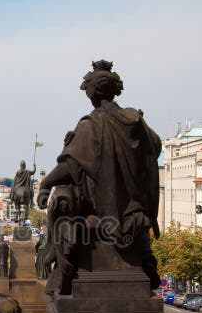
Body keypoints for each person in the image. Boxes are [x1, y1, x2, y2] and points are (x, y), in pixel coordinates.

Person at [37, 60, 162, 292]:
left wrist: (46, 184)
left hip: (105, 209)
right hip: (134, 208)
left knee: (61, 204)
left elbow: (70, 166)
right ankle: (147, 266)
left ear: (92, 91)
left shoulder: (91, 124)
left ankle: (64, 271)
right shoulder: (135, 120)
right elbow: (154, 147)